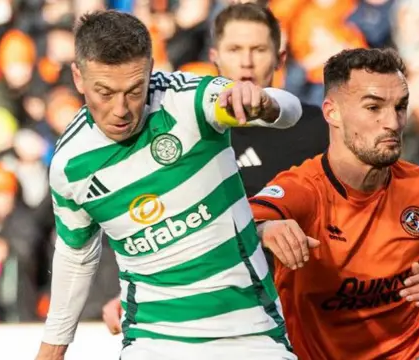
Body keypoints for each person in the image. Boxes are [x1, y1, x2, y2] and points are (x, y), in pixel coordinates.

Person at [36, 10, 302, 360]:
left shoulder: (187, 100)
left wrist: (264, 103)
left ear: (150, 71)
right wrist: (51, 352)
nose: (120, 110)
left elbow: (290, 109)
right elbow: (77, 255)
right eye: (105, 92)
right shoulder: (69, 165)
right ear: (78, 77)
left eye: (134, 90)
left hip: (250, 336)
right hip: (152, 343)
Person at [249, 48, 419, 360]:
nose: (392, 122)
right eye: (373, 107)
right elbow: (233, 225)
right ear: (332, 113)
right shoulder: (302, 190)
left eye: (400, 107)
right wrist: (264, 229)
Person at [101, 2, 328, 334]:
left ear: (280, 58)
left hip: (307, 314)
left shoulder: (318, 129)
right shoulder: (185, 131)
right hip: (212, 318)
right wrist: (135, 292)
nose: (246, 61)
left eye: (259, 49)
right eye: (235, 49)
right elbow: (165, 223)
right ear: (215, 57)